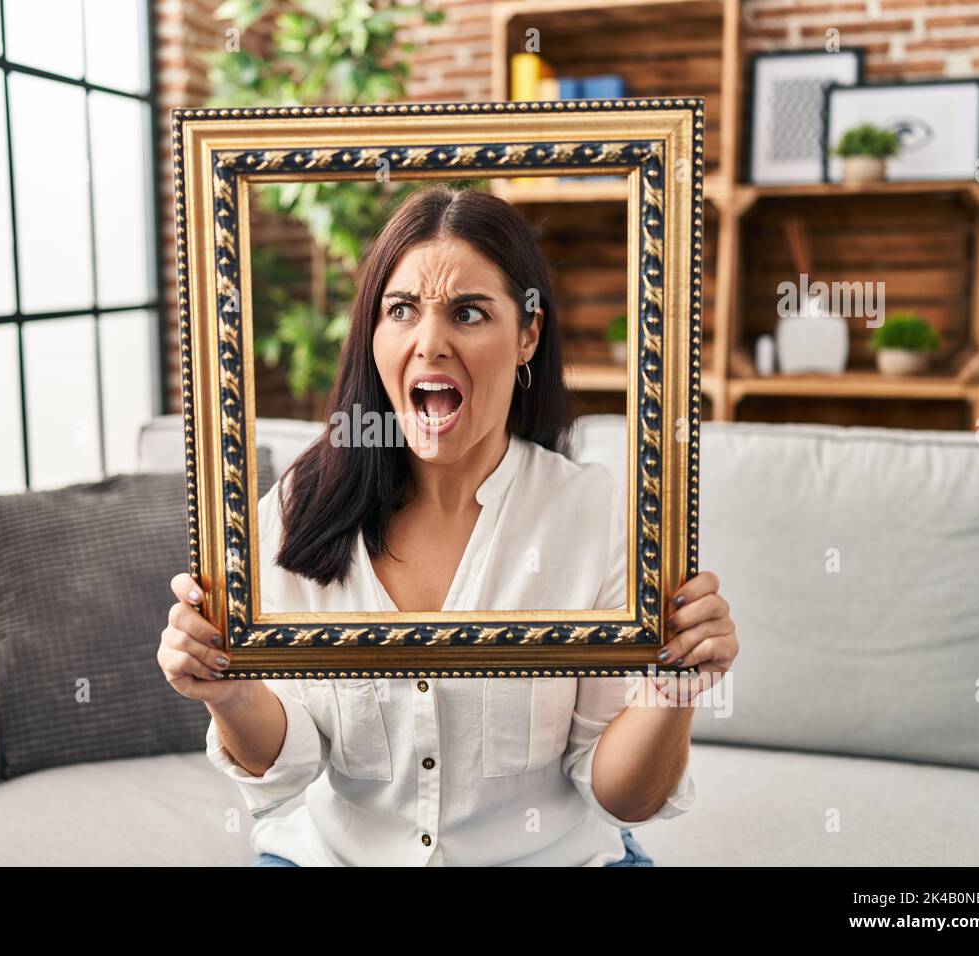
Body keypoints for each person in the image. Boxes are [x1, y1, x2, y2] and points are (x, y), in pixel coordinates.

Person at [158, 184, 739, 866]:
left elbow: (621, 796)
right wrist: (229, 691)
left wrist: (675, 687)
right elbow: (289, 764)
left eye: (467, 312)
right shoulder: (295, 513)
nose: (429, 343)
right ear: (373, 334)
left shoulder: (599, 516)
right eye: (401, 310)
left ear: (527, 335)